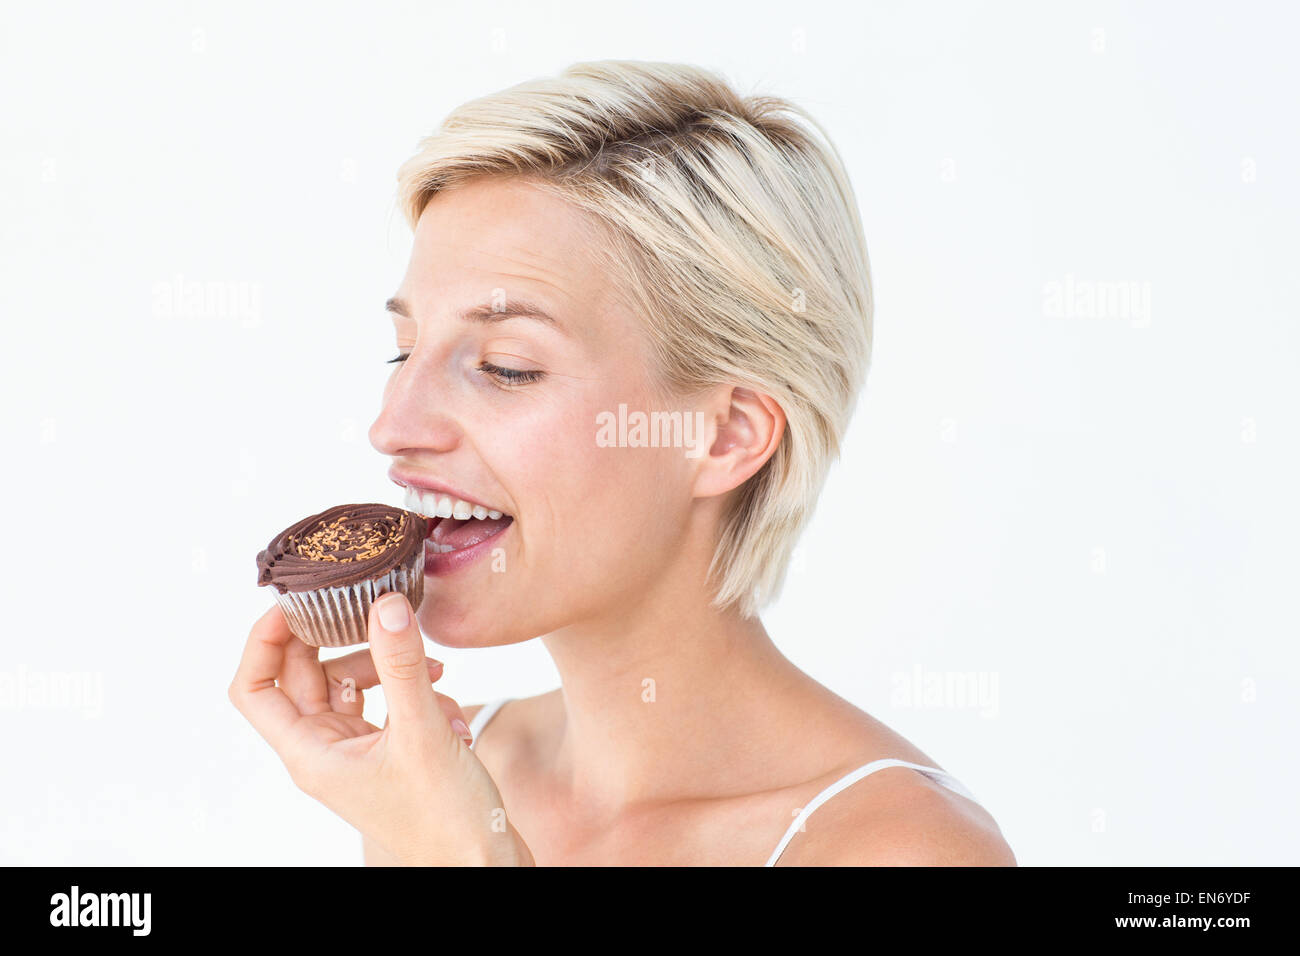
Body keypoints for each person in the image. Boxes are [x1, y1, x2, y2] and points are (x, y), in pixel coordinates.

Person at [230, 60, 1017, 866]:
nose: (392, 428)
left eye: (507, 367)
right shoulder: (450, 774)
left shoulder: (899, 849)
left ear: (725, 436)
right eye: (403, 355)